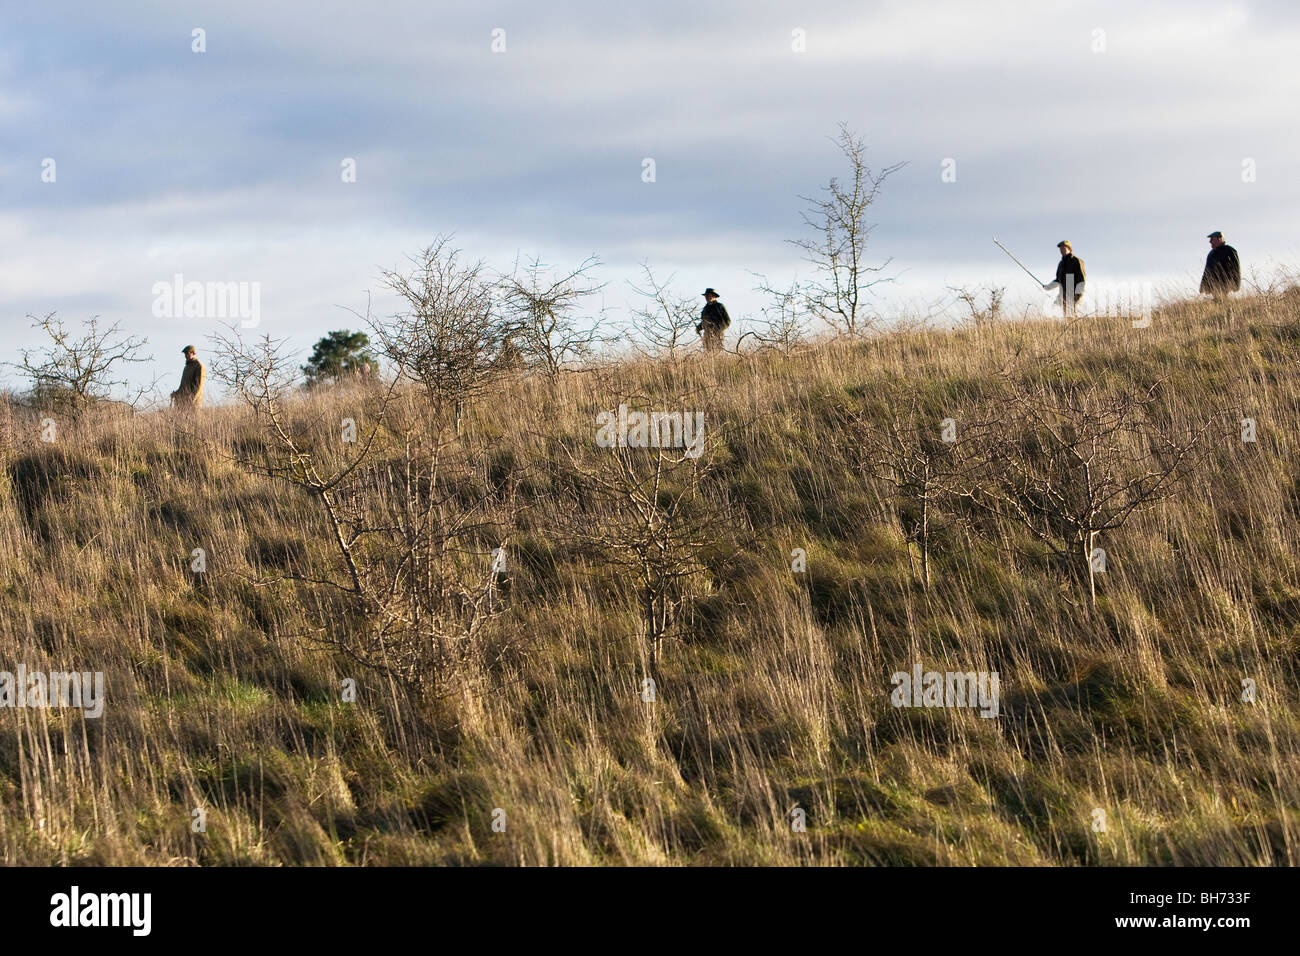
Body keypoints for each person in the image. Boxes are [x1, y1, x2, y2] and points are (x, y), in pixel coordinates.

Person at [1042, 240, 1085, 317]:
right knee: (1064, 316)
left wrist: (1078, 296)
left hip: (1073, 294)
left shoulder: (1076, 261)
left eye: (1063, 248)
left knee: (1071, 317)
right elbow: (1058, 280)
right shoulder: (1061, 264)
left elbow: (1081, 280)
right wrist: (1048, 287)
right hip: (1063, 294)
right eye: (1060, 249)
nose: (1061, 251)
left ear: (1069, 249)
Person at [1200, 231, 1241, 300]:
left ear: (1219, 239)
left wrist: (1236, 284)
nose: (1210, 241)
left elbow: (1236, 268)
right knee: (1216, 303)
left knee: (1223, 301)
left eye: (1212, 239)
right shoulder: (1211, 254)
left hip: (1225, 284)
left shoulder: (1229, 251)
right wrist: (1203, 286)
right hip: (1213, 286)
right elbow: (1207, 271)